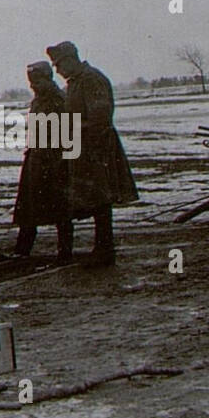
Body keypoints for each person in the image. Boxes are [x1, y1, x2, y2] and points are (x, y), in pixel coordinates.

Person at [46, 41, 138, 267]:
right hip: (84, 148)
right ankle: (101, 248)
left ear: (70, 59)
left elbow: (100, 119)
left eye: (58, 64)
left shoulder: (91, 79)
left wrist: (75, 130)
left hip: (97, 148)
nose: (56, 70)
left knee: (101, 199)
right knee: (95, 199)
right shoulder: (75, 83)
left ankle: (105, 251)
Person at [11, 61, 73, 260]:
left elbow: (70, 135)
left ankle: (65, 253)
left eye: (37, 81)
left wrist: (62, 161)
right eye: (31, 81)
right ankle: (22, 251)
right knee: (28, 210)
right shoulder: (38, 101)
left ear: (47, 79)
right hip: (36, 160)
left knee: (61, 210)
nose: (32, 86)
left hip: (55, 161)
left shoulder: (60, 100)